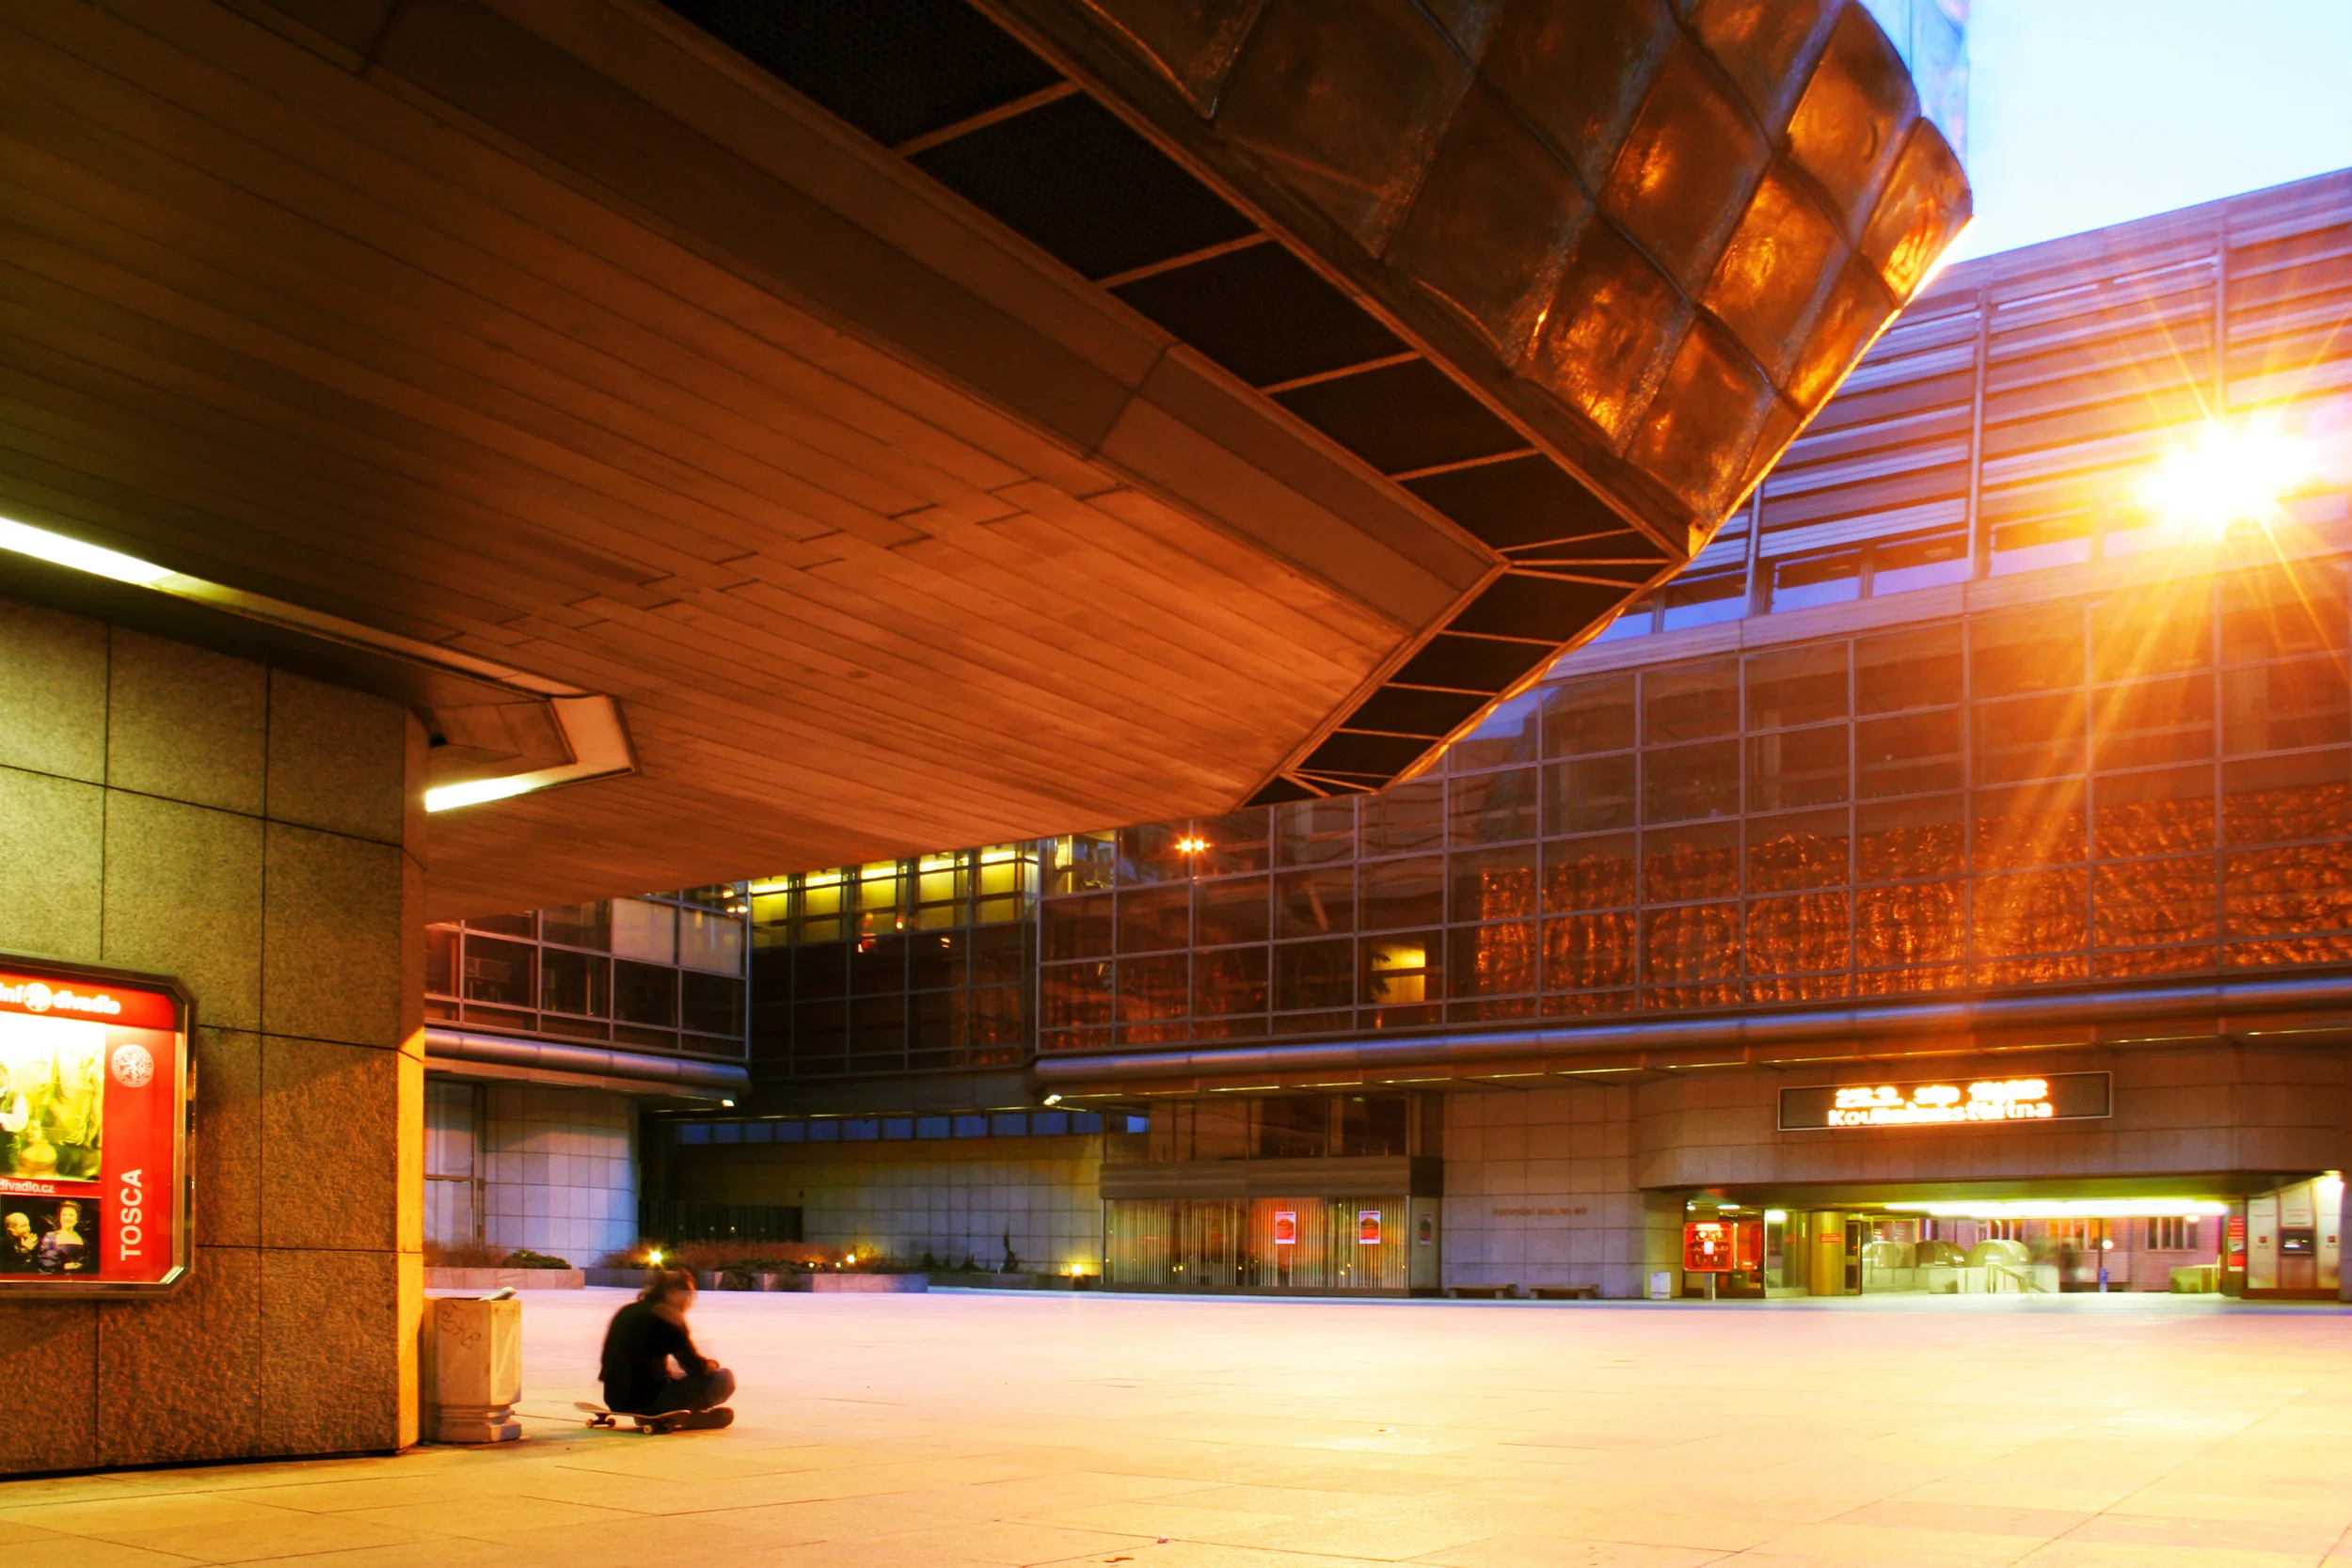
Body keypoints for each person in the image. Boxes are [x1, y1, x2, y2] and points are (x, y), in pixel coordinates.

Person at [597, 1268, 734, 1428]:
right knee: (724, 1377)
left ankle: (654, 1414)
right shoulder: (669, 1317)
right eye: (689, 1295)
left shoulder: (627, 1310)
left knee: (675, 1376)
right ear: (676, 1293)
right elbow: (696, 1367)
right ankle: (672, 1416)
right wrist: (712, 1365)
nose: (689, 1302)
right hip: (649, 1400)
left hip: (615, 1399)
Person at [35, 1200, 87, 1274]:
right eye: (64, 1215)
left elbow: (86, 1262)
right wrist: (63, 1266)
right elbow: (44, 1262)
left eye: (71, 1215)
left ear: (77, 1219)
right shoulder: (50, 1237)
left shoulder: (82, 1239)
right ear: (59, 1217)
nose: (67, 1218)